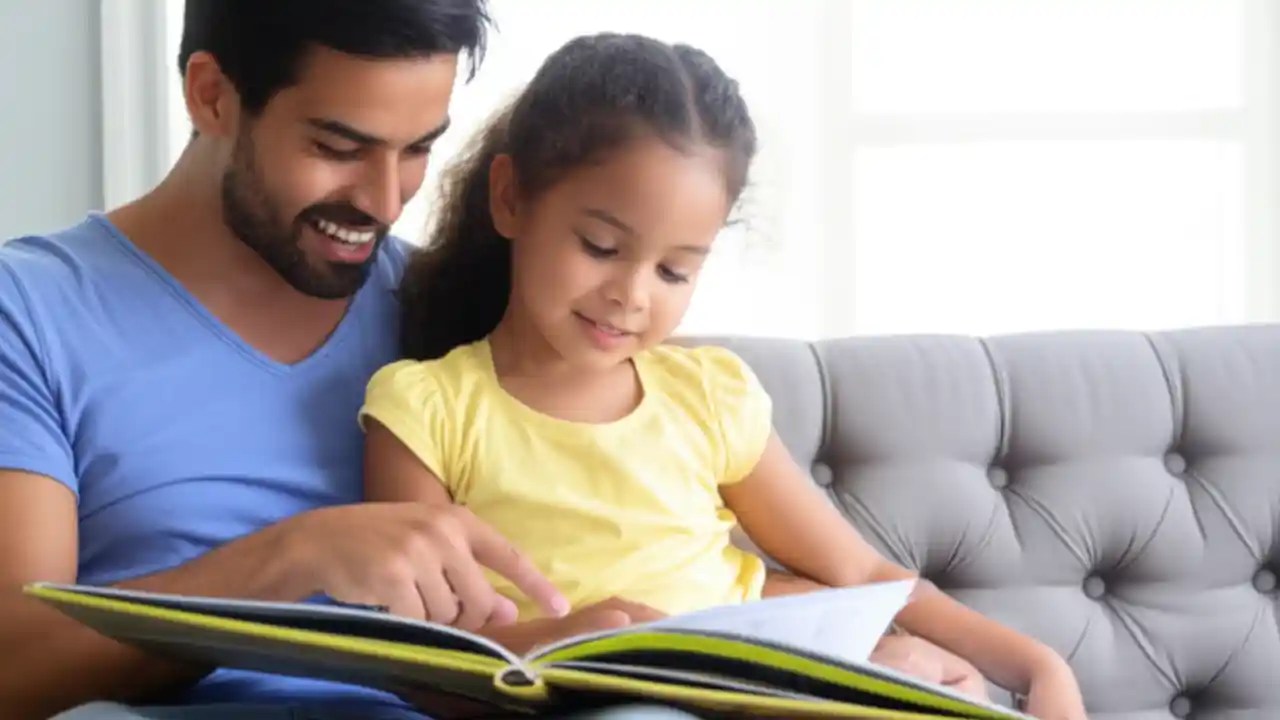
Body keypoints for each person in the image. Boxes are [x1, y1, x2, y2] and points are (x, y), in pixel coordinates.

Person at [357, 31, 1089, 720]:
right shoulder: (427, 409)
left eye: (675, 270)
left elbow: (861, 573)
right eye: (601, 246)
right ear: (511, 198)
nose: (633, 294)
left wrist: (1034, 664)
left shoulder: (705, 396)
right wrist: (556, 639)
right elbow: (427, 665)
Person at [0, 2, 702, 719]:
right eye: (339, 148)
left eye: (418, 149)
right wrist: (289, 560)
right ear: (212, 95)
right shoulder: (27, 314)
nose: (386, 199)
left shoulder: (463, 311)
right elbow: (10, 666)